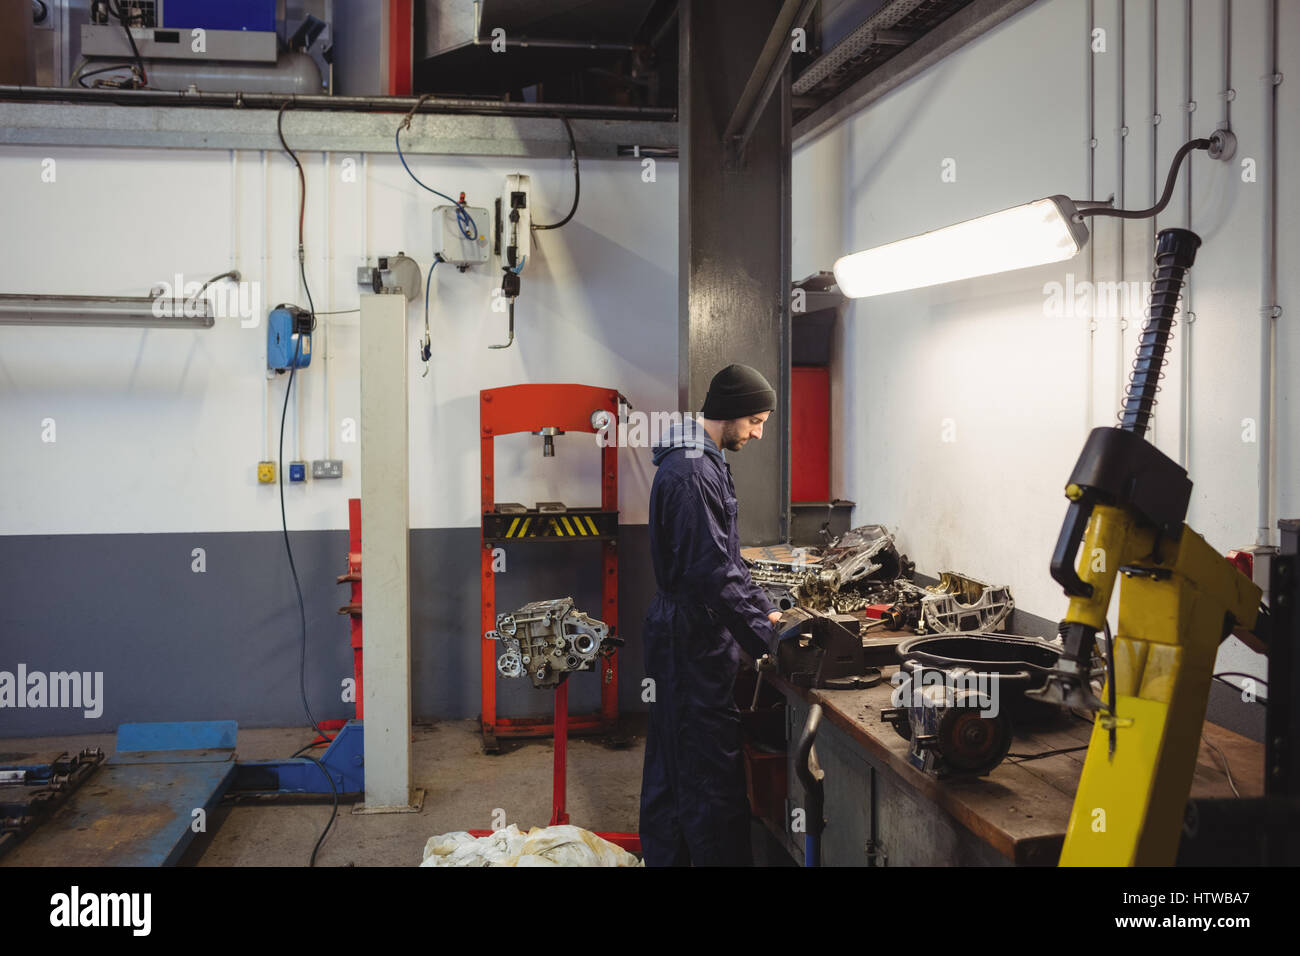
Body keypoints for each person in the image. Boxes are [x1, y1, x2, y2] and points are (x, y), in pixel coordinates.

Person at [639, 363, 782, 866]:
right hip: (691, 641)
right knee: (707, 780)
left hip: (689, 633)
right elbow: (714, 574)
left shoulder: (700, 460)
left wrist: (768, 614)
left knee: (673, 769)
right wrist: (773, 643)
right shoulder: (694, 472)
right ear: (730, 413)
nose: (759, 432)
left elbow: (727, 559)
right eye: (756, 421)